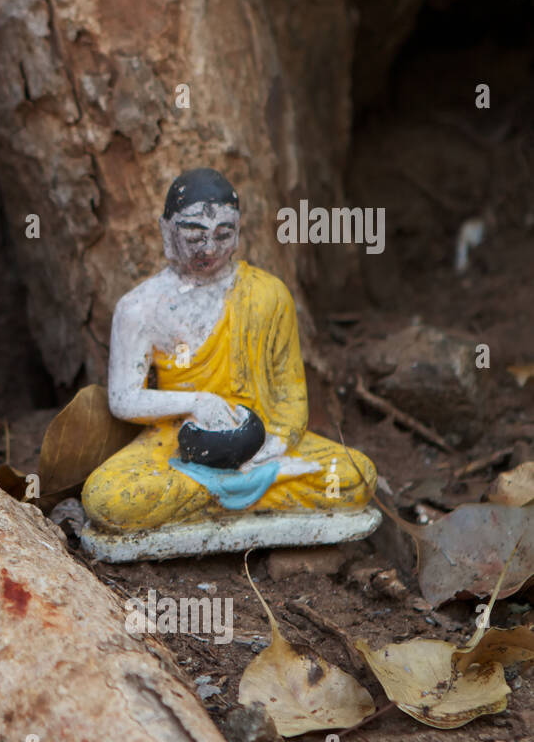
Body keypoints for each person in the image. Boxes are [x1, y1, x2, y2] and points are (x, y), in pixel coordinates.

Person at [82, 168, 375, 532]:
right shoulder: (140, 307)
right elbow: (124, 399)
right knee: (107, 497)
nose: (209, 248)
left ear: (238, 234)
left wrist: (275, 445)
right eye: (194, 234)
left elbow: (290, 395)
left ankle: (221, 494)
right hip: (176, 441)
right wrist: (195, 402)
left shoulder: (268, 295)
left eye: (224, 235)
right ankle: (248, 491)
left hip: (262, 442)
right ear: (166, 231)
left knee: (355, 476)